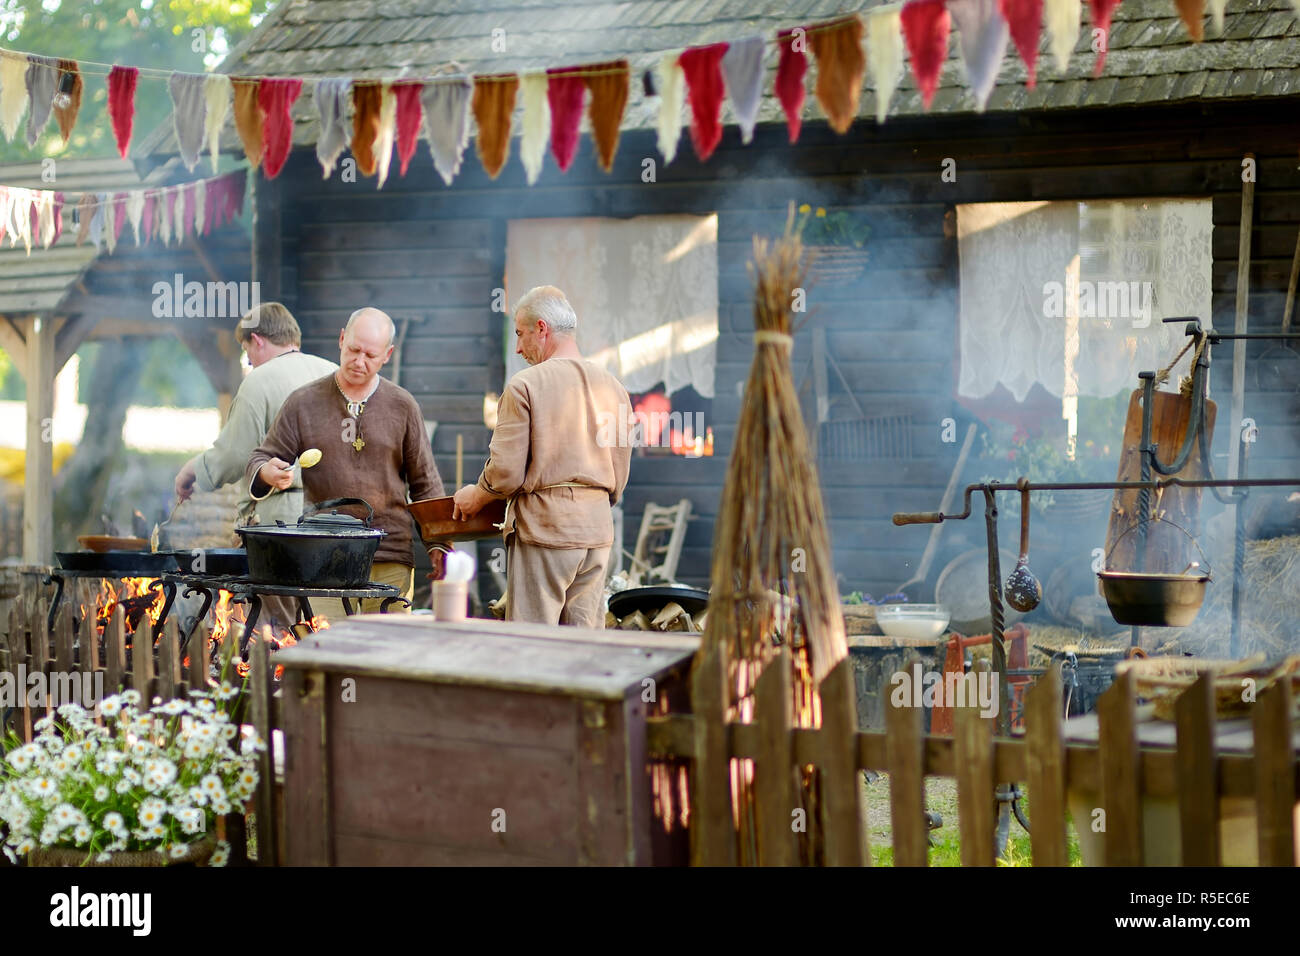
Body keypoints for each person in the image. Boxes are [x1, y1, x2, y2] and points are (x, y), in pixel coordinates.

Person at [452, 286, 631, 627]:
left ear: (542, 328)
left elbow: (505, 473)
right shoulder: (615, 387)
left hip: (545, 531)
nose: (518, 347)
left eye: (520, 334)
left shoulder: (525, 385)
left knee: (534, 645)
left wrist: (475, 495)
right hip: (596, 532)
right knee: (583, 642)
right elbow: (619, 475)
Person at [246, 307, 446, 613]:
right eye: (353, 349)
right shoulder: (304, 402)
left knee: (385, 657)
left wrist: (438, 543)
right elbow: (262, 458)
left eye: (370, 354)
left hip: (389, 553)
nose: (359, 361)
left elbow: (425, 484)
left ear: (387, 355)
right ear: (341, 339)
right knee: (327, 653)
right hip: (323, 556)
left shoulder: (402, 406)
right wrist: (266, 472)